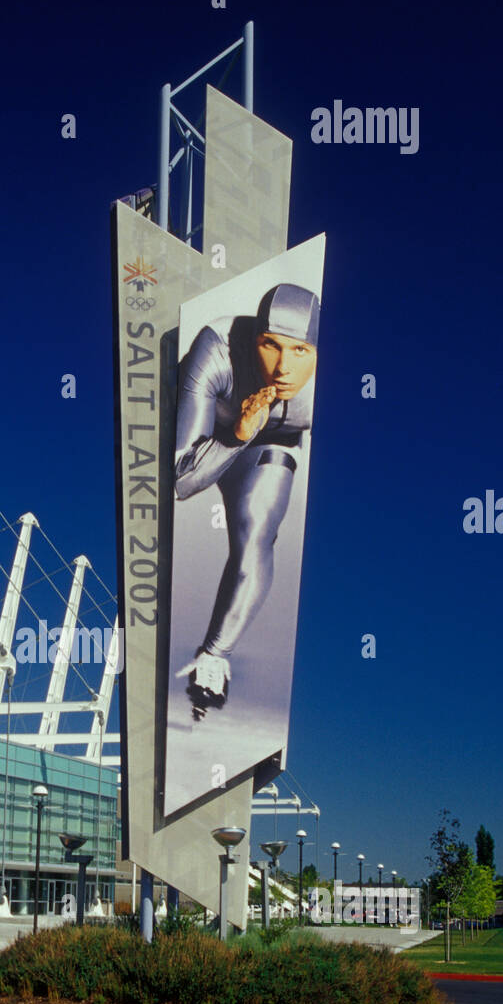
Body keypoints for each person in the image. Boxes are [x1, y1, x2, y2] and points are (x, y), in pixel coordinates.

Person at [173, 283, 320, 719]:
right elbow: (182, 481)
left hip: (274, 441)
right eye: (270, 346)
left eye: (301, 351)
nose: (282, 368)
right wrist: (237, 433)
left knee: (257, 530)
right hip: (213, 435)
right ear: (254, 338)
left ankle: (214, 658)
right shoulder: (216, 349)